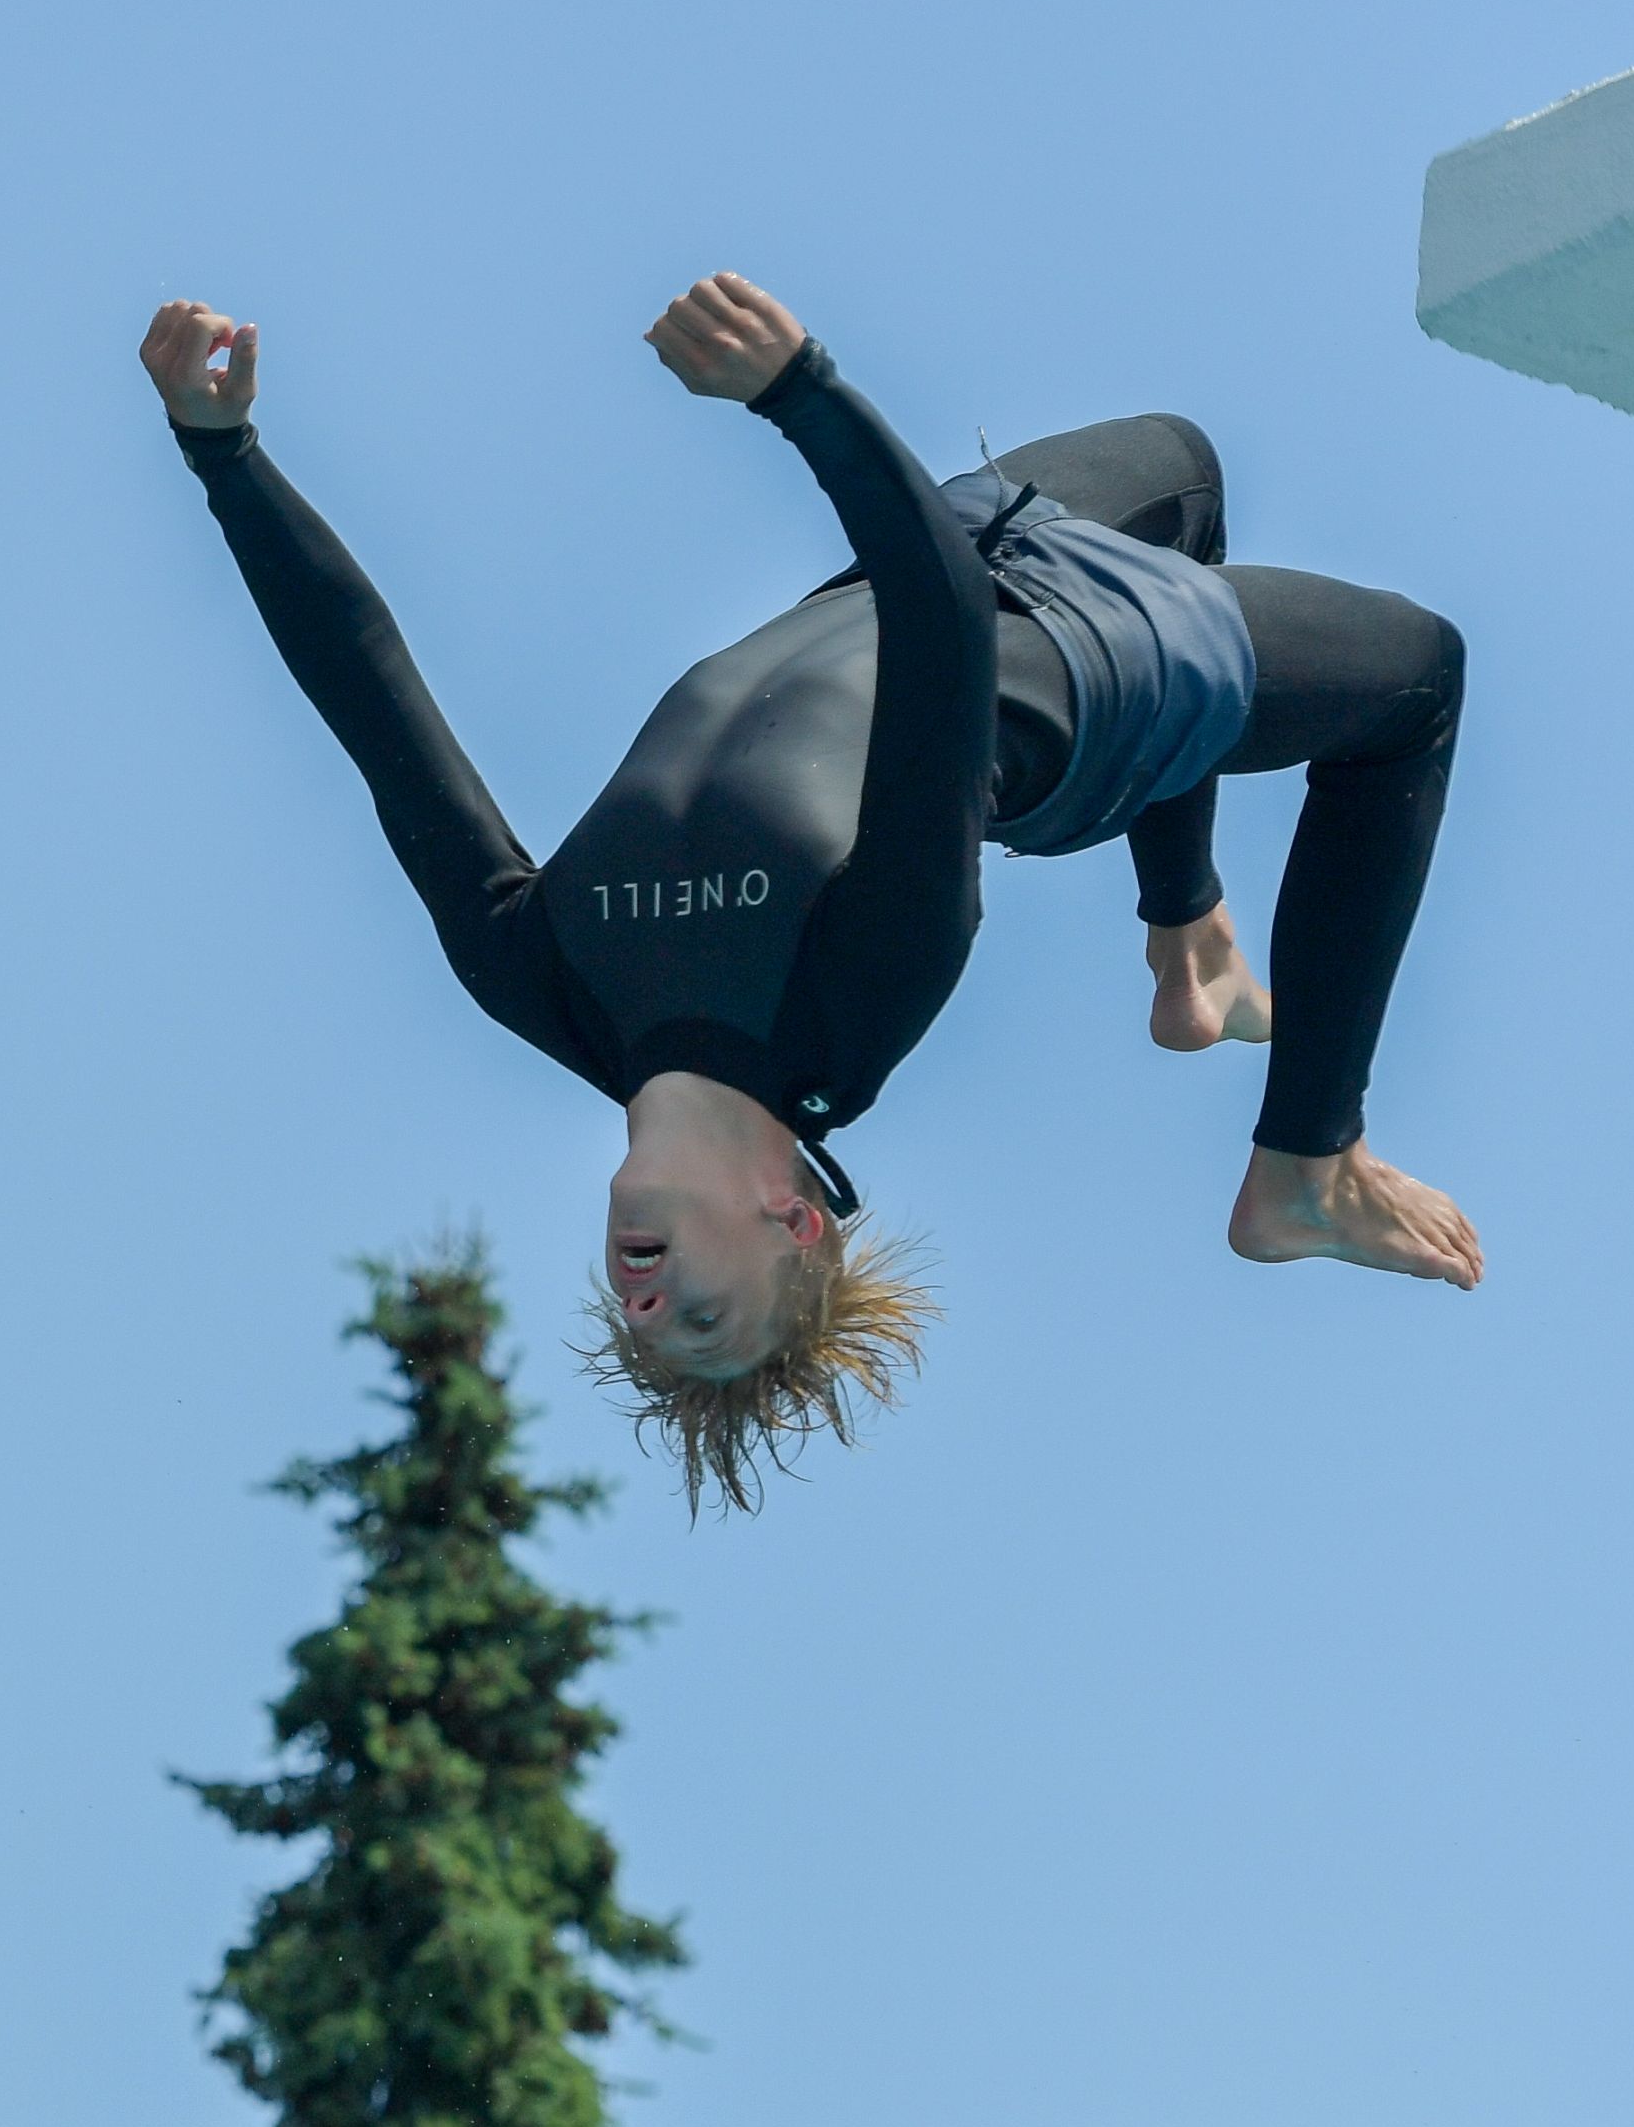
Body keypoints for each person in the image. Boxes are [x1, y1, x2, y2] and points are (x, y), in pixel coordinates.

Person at [141, 274, 1480, 1508]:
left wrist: (226, 457)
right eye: (707, 1322)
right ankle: (1306, 1166)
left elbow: (371, 700)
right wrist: (802, 393)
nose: (647, 1311)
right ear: (792, 1225)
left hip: (946, 550)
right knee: (1418, 681)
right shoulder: (857, 999)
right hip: (1098, 670)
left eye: (639, 1332)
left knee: (1186, 467)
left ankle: (1189, 945)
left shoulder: (540, 982)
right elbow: (945, 636)